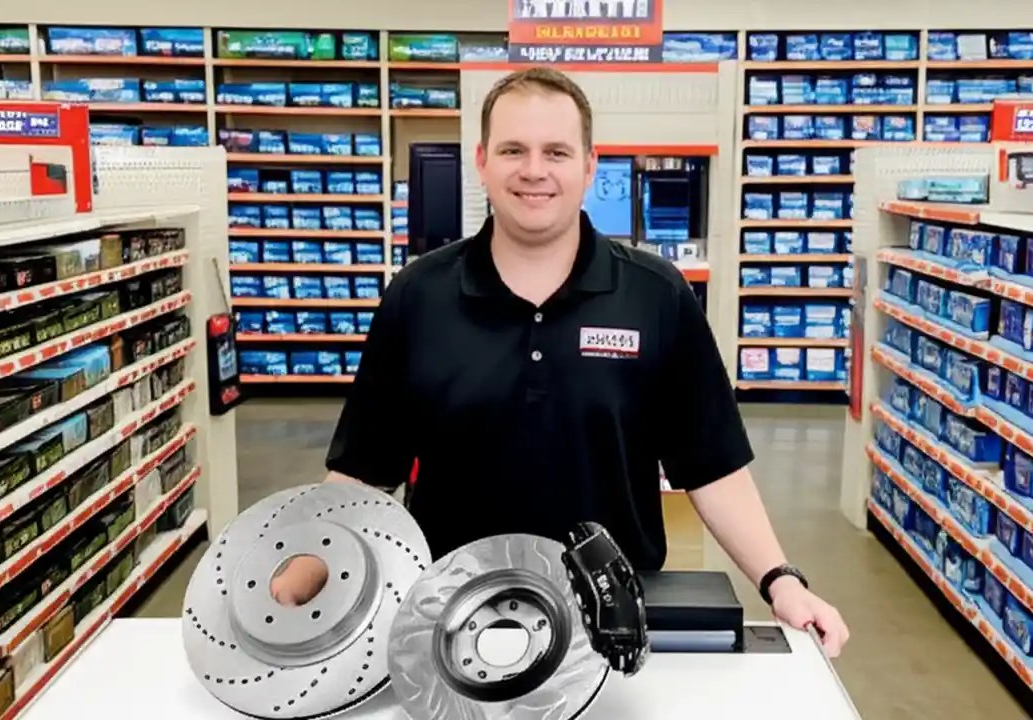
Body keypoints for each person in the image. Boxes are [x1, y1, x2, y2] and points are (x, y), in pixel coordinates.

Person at [278, 67, 849, 658]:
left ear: (589, 166)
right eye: (512, 150)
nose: (534, 170)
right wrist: (299, 574)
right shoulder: (418, 297)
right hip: (448, 622)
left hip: (613, 626)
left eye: (556, 151)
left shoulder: (656, 296)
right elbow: (363, 470)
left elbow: (713, 466)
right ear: (481, 161)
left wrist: (781, 580)